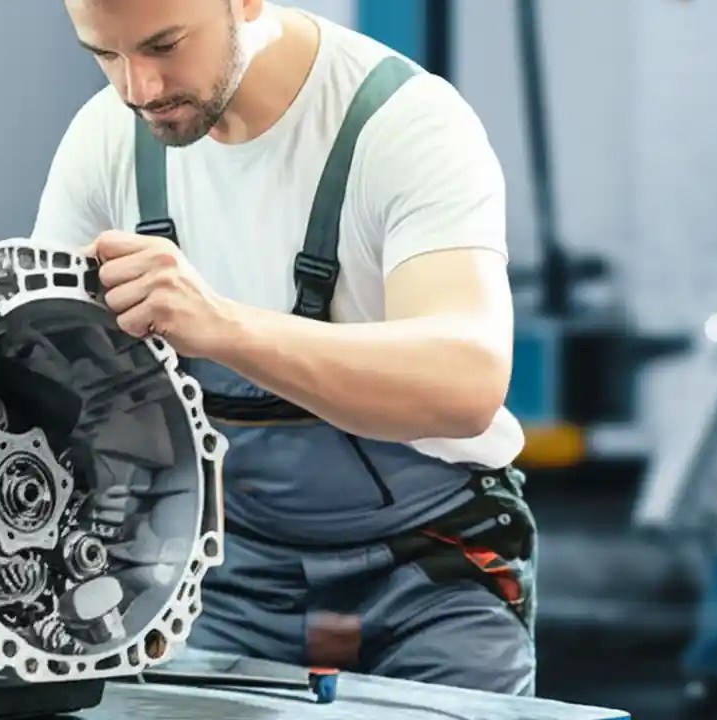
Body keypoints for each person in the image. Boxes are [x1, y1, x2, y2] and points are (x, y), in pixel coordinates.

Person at [31, 0, 538, 696]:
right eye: (105, 54)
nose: (138, 89)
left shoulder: (406, 126)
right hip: (220, 574)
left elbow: (467, 385)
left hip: (432, 572)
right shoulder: (105, 142)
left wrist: (223, 327)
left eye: (164, 46)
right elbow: (32, 377)